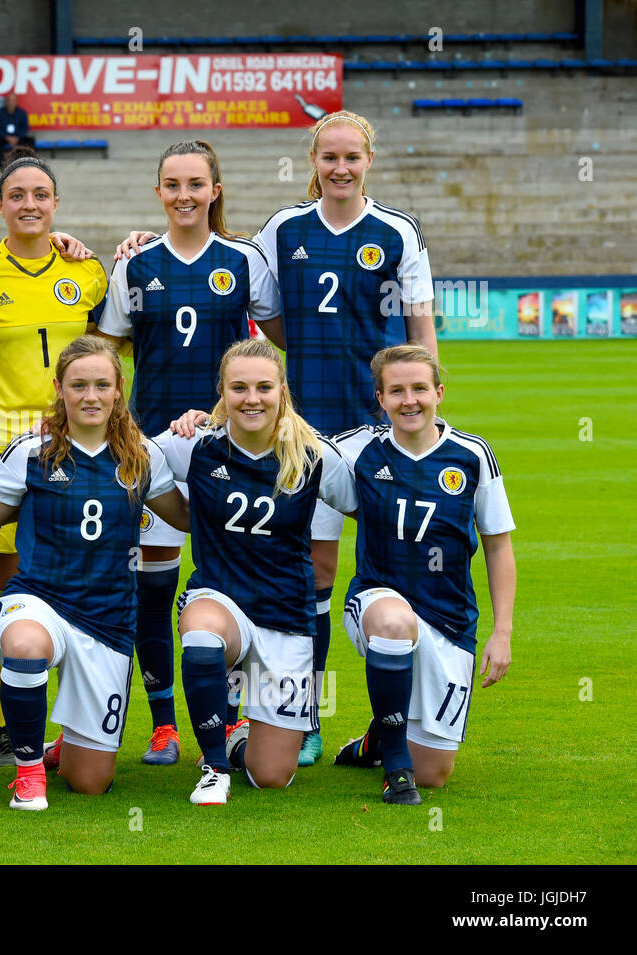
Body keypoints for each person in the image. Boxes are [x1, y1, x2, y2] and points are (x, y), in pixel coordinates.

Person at [255, 110, 437, 766]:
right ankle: (302, 717)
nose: (339, 168)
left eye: (351, 157)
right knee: (315, 572)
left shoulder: (396, 230)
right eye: (329, 157)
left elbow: (421, 325)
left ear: (368, 160)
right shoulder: (283, 229)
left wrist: (425, 415)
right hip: (308, 432)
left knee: (396, 574)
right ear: (314, 160)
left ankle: (388, 723)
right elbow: (266, 313)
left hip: (384, 433)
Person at [96, 140, 284, 766]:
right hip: (150, 449)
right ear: (158, 193)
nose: (184, 195)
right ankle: (163, 724)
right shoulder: (135, 265)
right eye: (172, 184)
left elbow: (276, 354)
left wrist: (226, 413)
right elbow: (104, 358)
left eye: (195, 184)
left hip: (227, 452)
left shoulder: (245, 260)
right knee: (153, 588)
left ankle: (229, 720)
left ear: (215, 191)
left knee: (228, 584)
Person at [0, 336, 189, 810]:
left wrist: (222, 430)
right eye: (79, 384)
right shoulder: (31, 453)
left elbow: (188, 518)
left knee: (91, 782)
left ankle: (68, 746)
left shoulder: (142, 457)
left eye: (102, 384)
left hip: (107, 620)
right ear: (59, 389)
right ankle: (28, 772)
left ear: (118, 389)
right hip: (39, 599)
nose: (91, 396)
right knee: (24, 647)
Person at [0, 147, 105, 767]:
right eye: (18, 196)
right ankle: (3, 723)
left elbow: (111, 341)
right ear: (0, 205)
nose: (30, 205)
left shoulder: (86, 273)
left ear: (56, 204)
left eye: (41, 195)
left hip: (80, 445)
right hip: (3, 447)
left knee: (76, 579)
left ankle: (72, 723)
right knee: (0, 586)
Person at [161, 338, 356, 804]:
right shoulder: (194, 446)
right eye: (239, 388)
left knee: (272, 775)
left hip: (285, 613)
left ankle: (240, 739)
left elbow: (368, 507)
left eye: (264, 387)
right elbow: (125, 456)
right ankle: (214, 766)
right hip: (219, 598)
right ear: (222, 392)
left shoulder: (315, 457)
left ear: (282, 391)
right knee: (202, 636)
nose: (252, 398)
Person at [332, 345, 515, 804]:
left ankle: (377, 737)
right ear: (380, 397)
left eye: (418, 389)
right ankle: (395, 765)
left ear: (439, 392)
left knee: (434, 773)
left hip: (450, 618)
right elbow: (287, 440)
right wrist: (202, 420)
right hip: (377, 602)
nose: (408, 400)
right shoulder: (359, 450)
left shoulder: (472, 455)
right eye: (396, 391)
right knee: (395, 623)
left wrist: (503, 632)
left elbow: (497, 544)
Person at [0, 93, 35, 169]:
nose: (11, 102)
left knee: (31, 141)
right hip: (4, 138)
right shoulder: (0, 113)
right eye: (9, 100)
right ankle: (3, 166)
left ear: (16, 102)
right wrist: (7, 137)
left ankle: (26, 164)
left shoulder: (22, 113)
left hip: (18, 138)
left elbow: (25, 128)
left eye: (13, 100)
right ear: (6, 102)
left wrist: (17, 138)